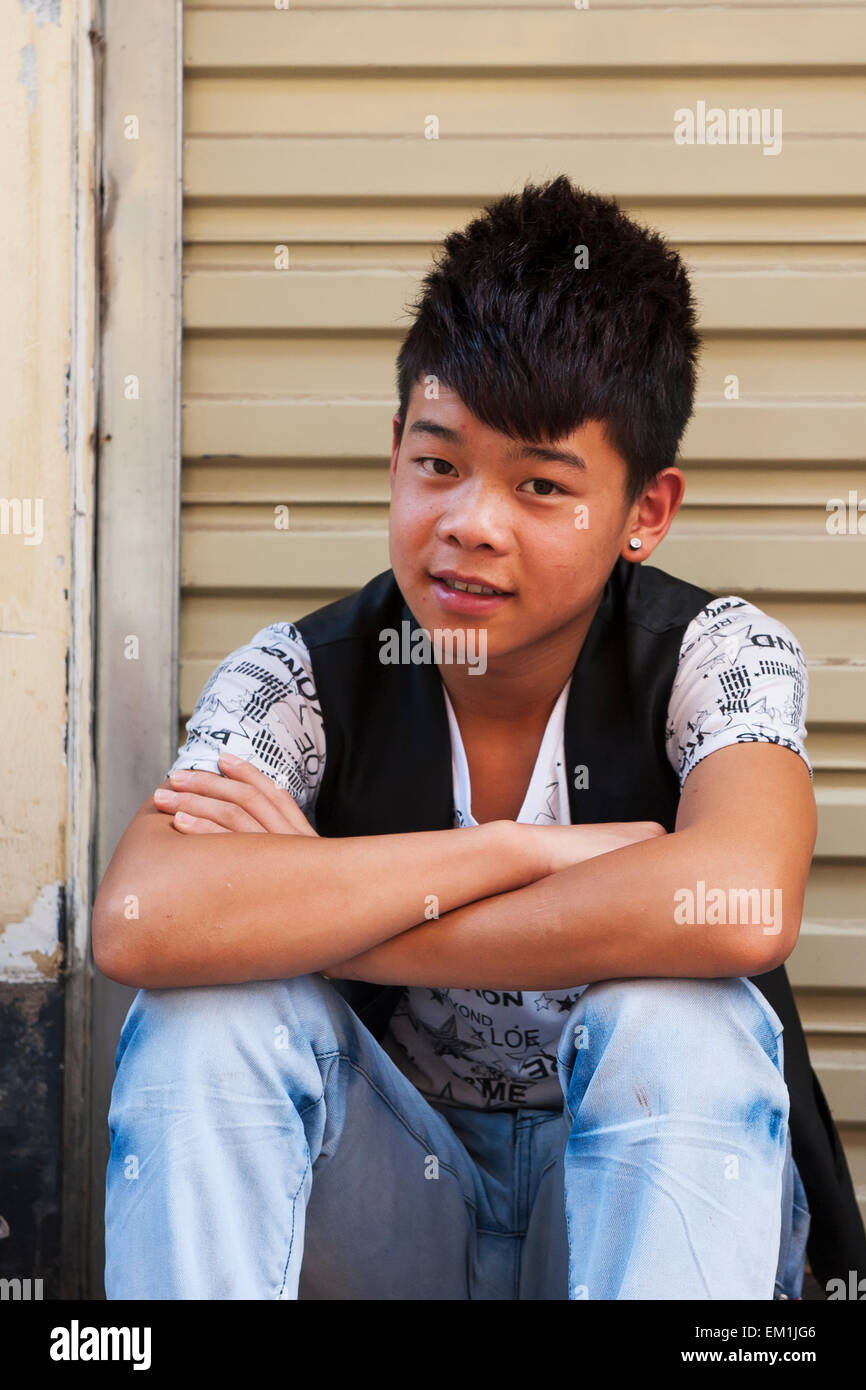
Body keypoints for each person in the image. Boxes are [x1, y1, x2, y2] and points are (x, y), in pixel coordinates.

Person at [94, 176, 861, 1300]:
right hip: (392, 1211)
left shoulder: (713, 654)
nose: (468, 523)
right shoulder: (297, 676)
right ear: (394, 448)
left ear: (644, 512)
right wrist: (522, 851)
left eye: (540, 485)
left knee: (681, 1015)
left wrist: (314, 910)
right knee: (209, 1014)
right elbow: (143, 917)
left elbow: (741, 901)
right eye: (438, 462)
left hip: (613, 1224)